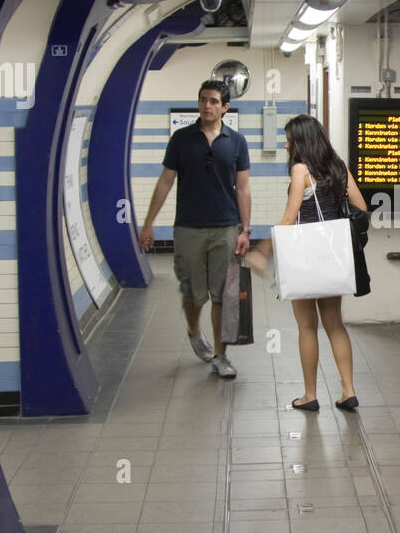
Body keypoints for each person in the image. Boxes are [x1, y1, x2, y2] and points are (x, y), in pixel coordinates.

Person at [139, 78, 251, 379]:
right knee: (192, 293)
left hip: (226, 227)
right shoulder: (181, 139)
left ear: (225, 107)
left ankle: (221, 355)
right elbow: (165, 181)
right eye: (203, 100)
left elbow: (243, 188)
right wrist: (148, 223)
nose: (207, 105)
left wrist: (245, 230)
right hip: (188, 228)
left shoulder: (237, 142)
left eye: (214, 101)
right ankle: (193, 330)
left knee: (223, 295)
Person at [272, 114, 368, 411]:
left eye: (290, 138)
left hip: (304, 256)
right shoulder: (338, 167)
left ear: (302, 141)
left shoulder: (300, 169)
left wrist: (266, 248)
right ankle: (348, 390)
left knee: (306, 327)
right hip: (331, 255)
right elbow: (361, 208)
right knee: (335, 324)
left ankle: (310, 395)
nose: (287, 144)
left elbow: (290, 217)